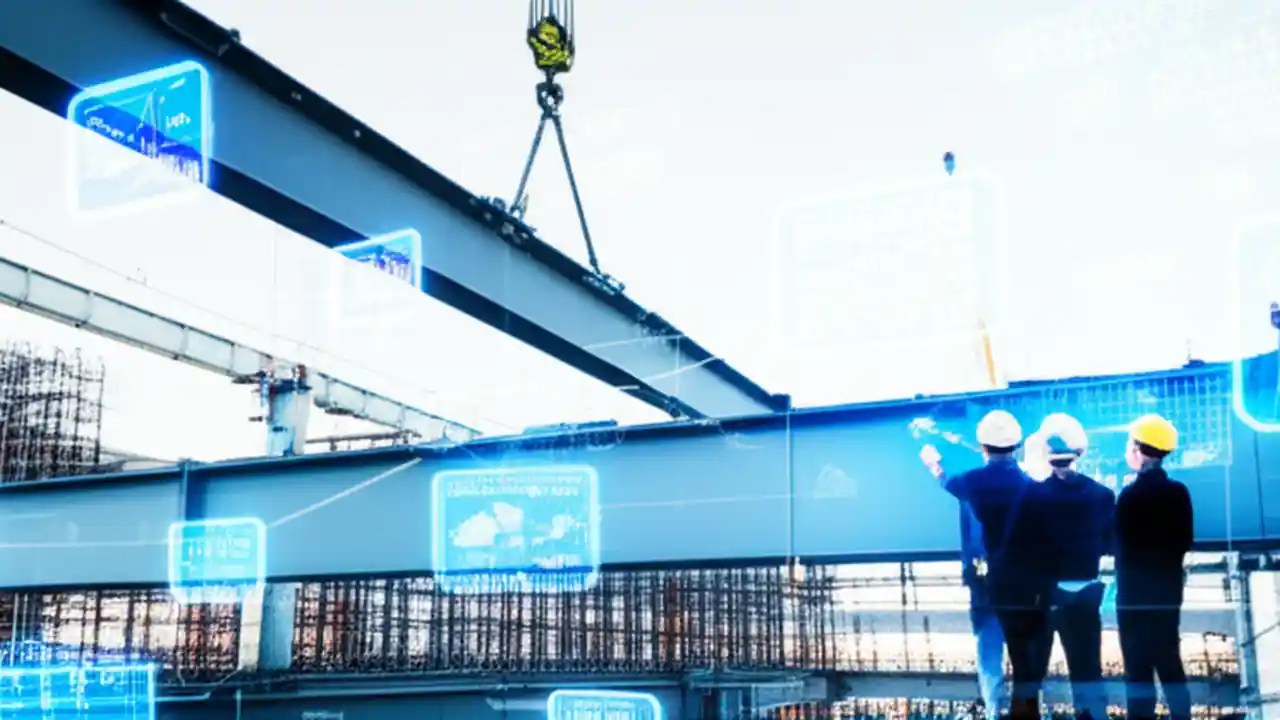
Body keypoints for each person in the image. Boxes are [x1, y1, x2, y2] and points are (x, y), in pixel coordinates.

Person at [920, 410, 1052, 720]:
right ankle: (1030, 712)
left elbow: (947, 480)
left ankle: (996, 710)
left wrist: (933, 463)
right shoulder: (1032, 487)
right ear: (1017, 447)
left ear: (983, 447)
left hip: (985, 584)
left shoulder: (972, 484)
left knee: (988, 650)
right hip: (1022, 587)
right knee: (1025, 658)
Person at [1035, 413, 1114, 720]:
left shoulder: (1035, 496)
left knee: (1033, 668)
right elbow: (1110, 542)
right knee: (1087, 668)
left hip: (1047, 594)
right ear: (1079, 453)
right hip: (1086, 592)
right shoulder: (1102, 496)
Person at [1115, 414, 1193, 720]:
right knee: (1170, 663)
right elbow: (1184, 541)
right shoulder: (1179, 493)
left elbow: (1119, 546)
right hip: (1167, 593)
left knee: (1137, 669)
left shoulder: (1129, 497)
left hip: (1133, 597)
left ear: (1137, 449)